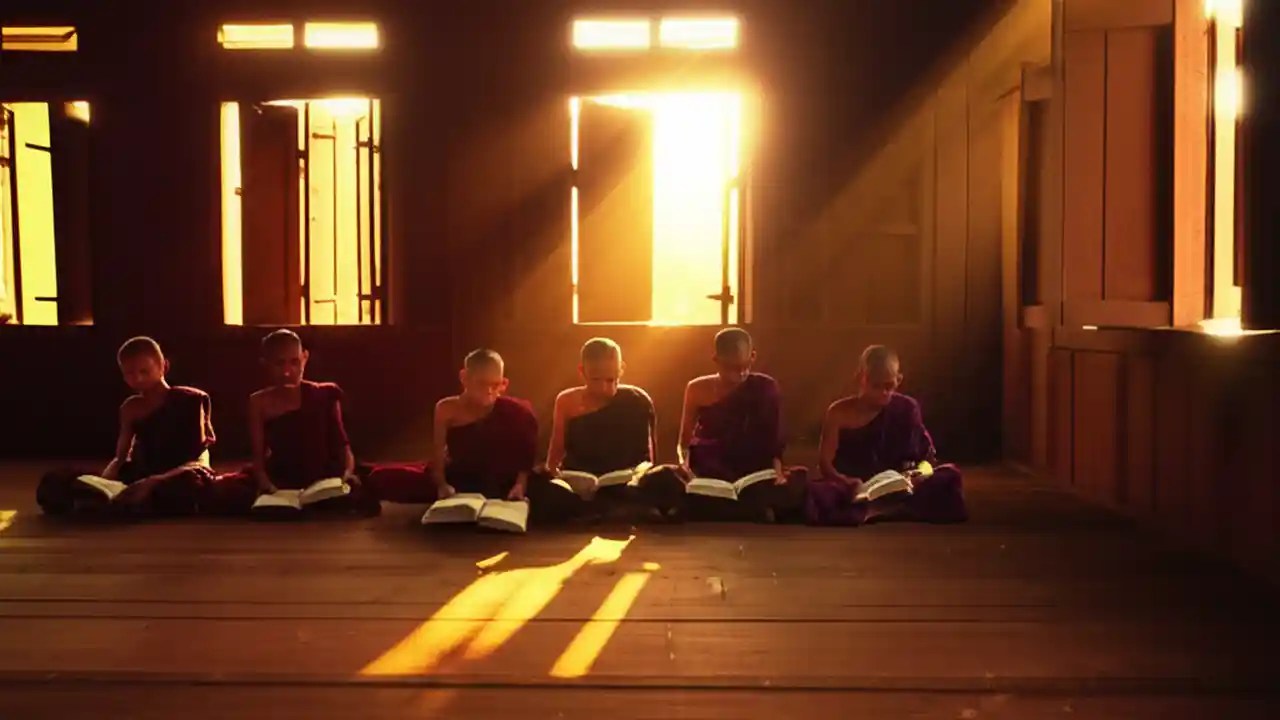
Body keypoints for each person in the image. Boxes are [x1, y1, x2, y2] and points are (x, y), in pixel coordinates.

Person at [203, 330, 408, 516]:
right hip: (283, 475)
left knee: (365, 487)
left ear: (305, 358)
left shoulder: (325, 394)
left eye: (294, 362)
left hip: (324, 474)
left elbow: (342, 444)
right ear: (265, 364)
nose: (287, 372)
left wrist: (347, 473)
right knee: (226, 493)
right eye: (279, 364)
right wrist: (267, 485)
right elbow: (259, 456)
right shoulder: (258, 402)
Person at [37, 337, 217, 517]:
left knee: (187, 486)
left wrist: (154, 481)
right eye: (130, 373)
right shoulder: (130, 408)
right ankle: (119, 502)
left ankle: (124, 503)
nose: (137, 378)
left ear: (164, 366)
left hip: (179, 475)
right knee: (57, 481)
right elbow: (120, 458)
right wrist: (103, 483)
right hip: (142, 473)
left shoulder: (190, 400)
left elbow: (197, 462)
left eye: (144, 371)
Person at [807, 345, 967, 525]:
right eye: (876, 386)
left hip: (898, 487)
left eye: (889, 386)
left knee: (950, 475)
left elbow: (928, 461)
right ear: (860, 378)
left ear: (898, 380)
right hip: (854, 489)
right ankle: (887, 510)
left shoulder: (907, 408)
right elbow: (825, 465)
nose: (883, 392)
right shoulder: (838, 412)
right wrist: (847, 482)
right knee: (817, 493)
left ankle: (877, 511)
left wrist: (917, 475)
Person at [429, 349, 576, 523]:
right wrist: (442, 485)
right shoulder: (446, 409)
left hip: (505, 480)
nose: (489, 391)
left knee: (558, 496)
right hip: (464, 477)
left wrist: (520, 484)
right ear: (464, 378)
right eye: (481, 384)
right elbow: (438, 455)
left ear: (504, 383)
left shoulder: (517, 412)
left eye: (496, 385)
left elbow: (525, 454)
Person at [675, 328, 804, 521]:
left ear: (753, 357)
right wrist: (685, 468)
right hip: (711, 466)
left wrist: (777, 473)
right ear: (716, 360)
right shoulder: (696, 389)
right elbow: (684, 442)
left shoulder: (766, 387)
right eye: (731, 368)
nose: (741, 373)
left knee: (795, 484)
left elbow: (774, 441)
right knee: (668, 482)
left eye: (746, 365)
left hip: (751, 467)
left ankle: (722, 507)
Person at [546, 338, 677, 520]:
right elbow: (554, 457)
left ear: (621, 369)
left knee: (667, 479)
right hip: (581, 486)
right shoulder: (567, 401)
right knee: (546, 492)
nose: (604, 388)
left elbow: (650, 460)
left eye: (611, 380)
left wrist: (638, 475)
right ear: (582, 372)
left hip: (625, 484)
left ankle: (602, 510)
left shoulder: (637, 399)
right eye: (595, 380)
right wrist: (557, 479)